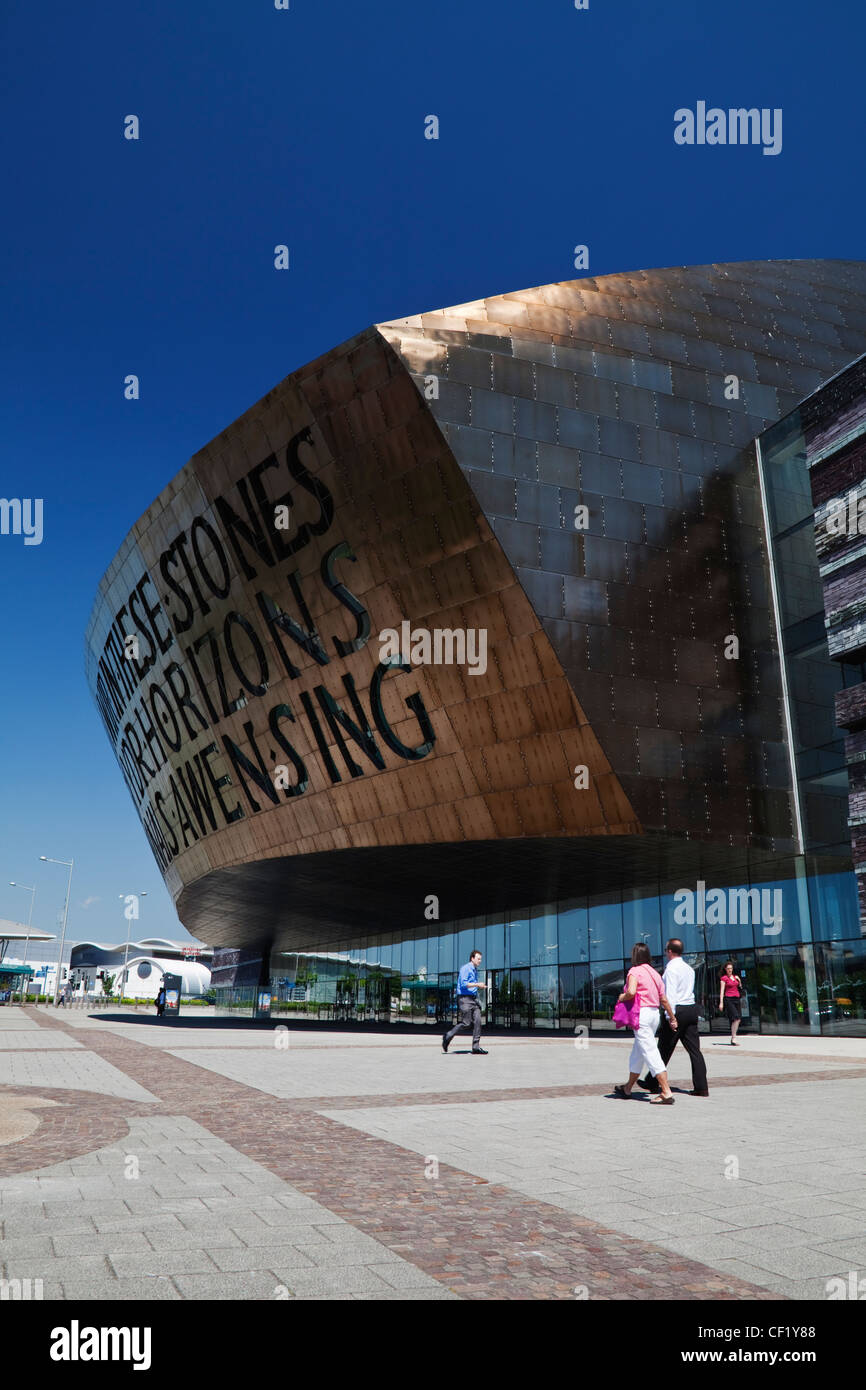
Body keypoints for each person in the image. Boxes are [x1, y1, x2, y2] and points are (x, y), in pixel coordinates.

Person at [637, 938, 709, 1097]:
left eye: (665, 950)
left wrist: (670, 1016)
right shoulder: (689, 969)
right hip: (691, 1009)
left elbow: (670, 995)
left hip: (678, 1011)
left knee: (663, 1047)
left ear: (669, 951)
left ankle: (652, 1082)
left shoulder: (670, 970)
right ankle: (702, 1087)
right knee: (695, 1051)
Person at [613, 943, 677, 1104]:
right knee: (639, 1052)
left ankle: (666, 1091)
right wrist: (672, 1017)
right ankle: (627, 1088)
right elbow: (663, 999)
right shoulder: (655, 974)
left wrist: (622, 997)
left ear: (634, 956)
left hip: (641, 1014)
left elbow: (631, 992)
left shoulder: (634, 971)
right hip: (654, 1015)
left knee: (649, 1051)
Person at [442, 950, 488, 1054]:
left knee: (478, 1021)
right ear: (472, 958)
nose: (480, 961)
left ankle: (475, 1047)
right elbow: (463, 984)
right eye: (478, 958)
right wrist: (477, 985)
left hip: (473, 999)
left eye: (481, 959)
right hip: (464, 999)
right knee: (466, 1023)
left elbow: (471, 985)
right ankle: (448, 1036)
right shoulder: (465, 968)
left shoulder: (475, 970)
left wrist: (479, 987)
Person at [719, 960, 743, 1044]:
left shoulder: (735, 977)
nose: (730, 970)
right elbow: (722, 991)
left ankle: (733, 1037)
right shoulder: (724, 978)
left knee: (738, 1019)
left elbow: (740, 987)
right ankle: (734, 1038)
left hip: (737, 998)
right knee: (736, 1017)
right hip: (729, 999)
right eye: (728, 968)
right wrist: (721, 1002)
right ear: (725, 969)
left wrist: (739, 981)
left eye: (731, 968)